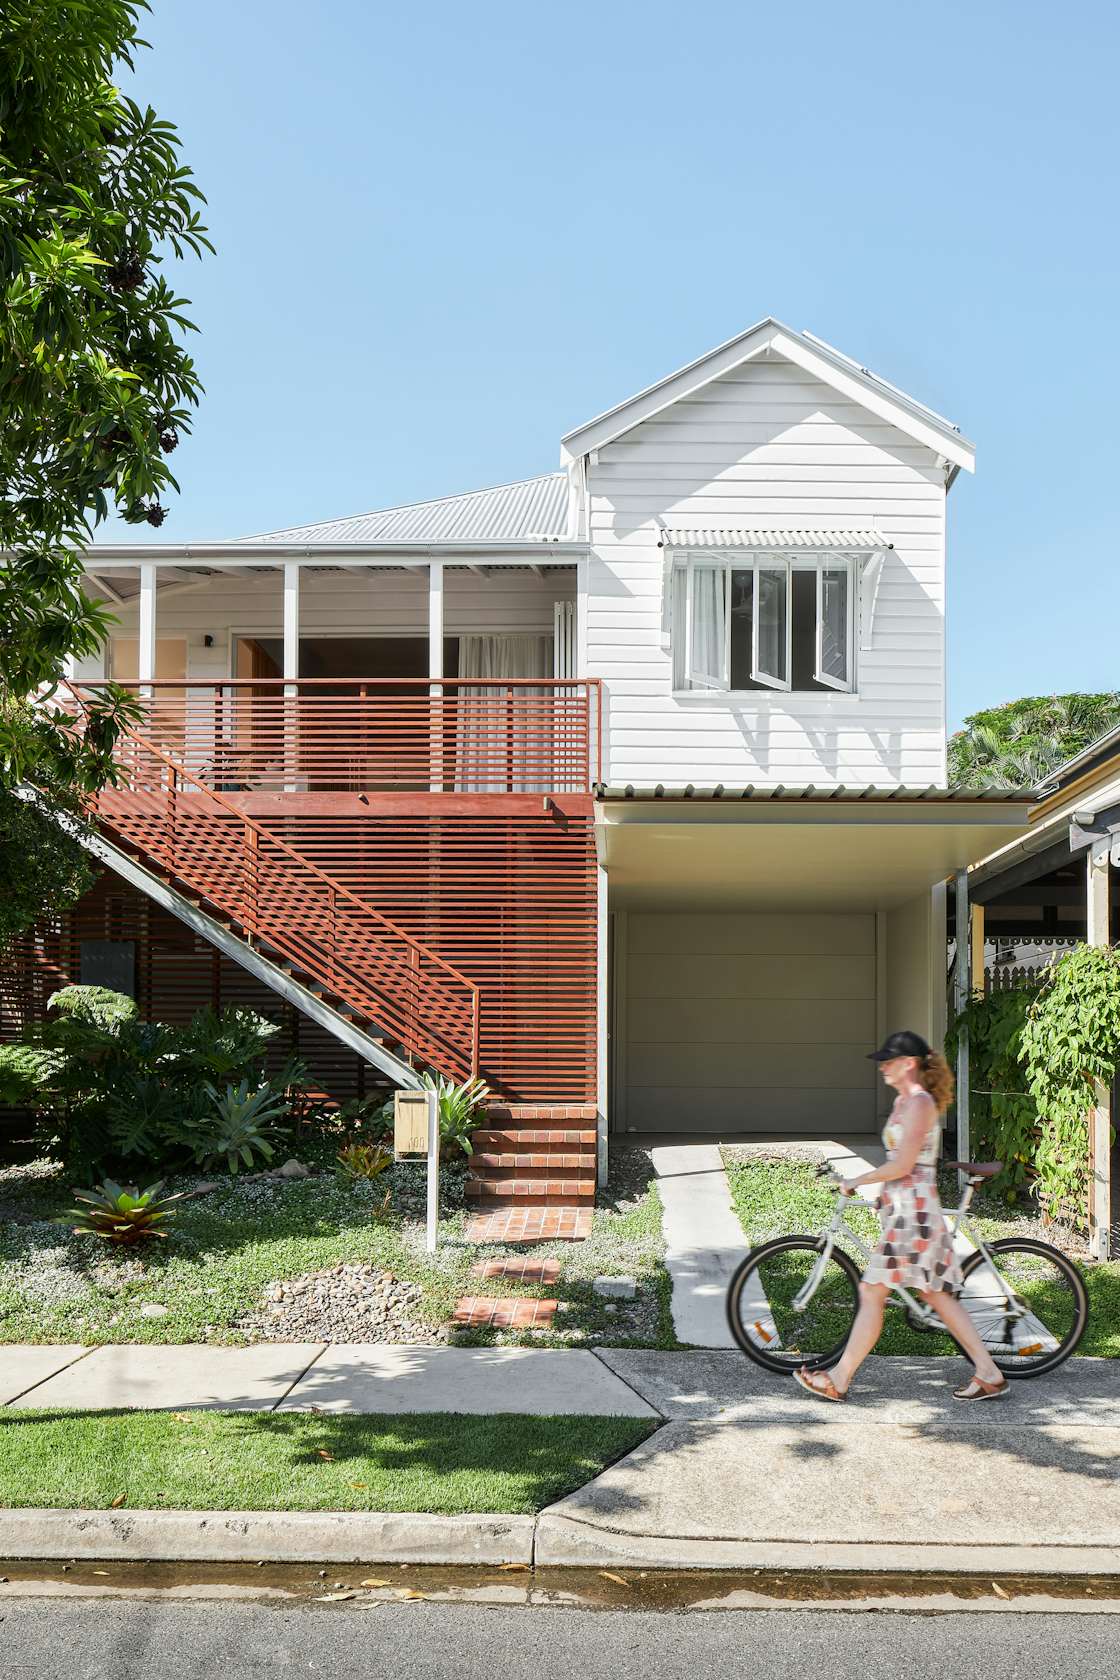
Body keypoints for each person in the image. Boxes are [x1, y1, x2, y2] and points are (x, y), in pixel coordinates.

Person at [794, 1029, 1008, 1404]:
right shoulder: (902, 1103)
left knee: (873, 1290)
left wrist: (859, 1180)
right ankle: (989, 1373)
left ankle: (839, 1379)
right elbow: (899, 1166)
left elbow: (905, 1163)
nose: (883, 1068)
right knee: (936, 1295)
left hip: (916, 1213)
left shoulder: (921, 1103)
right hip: (906, 1209)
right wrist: (885, 1195)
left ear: (908, 1064)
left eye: (888, 1062)